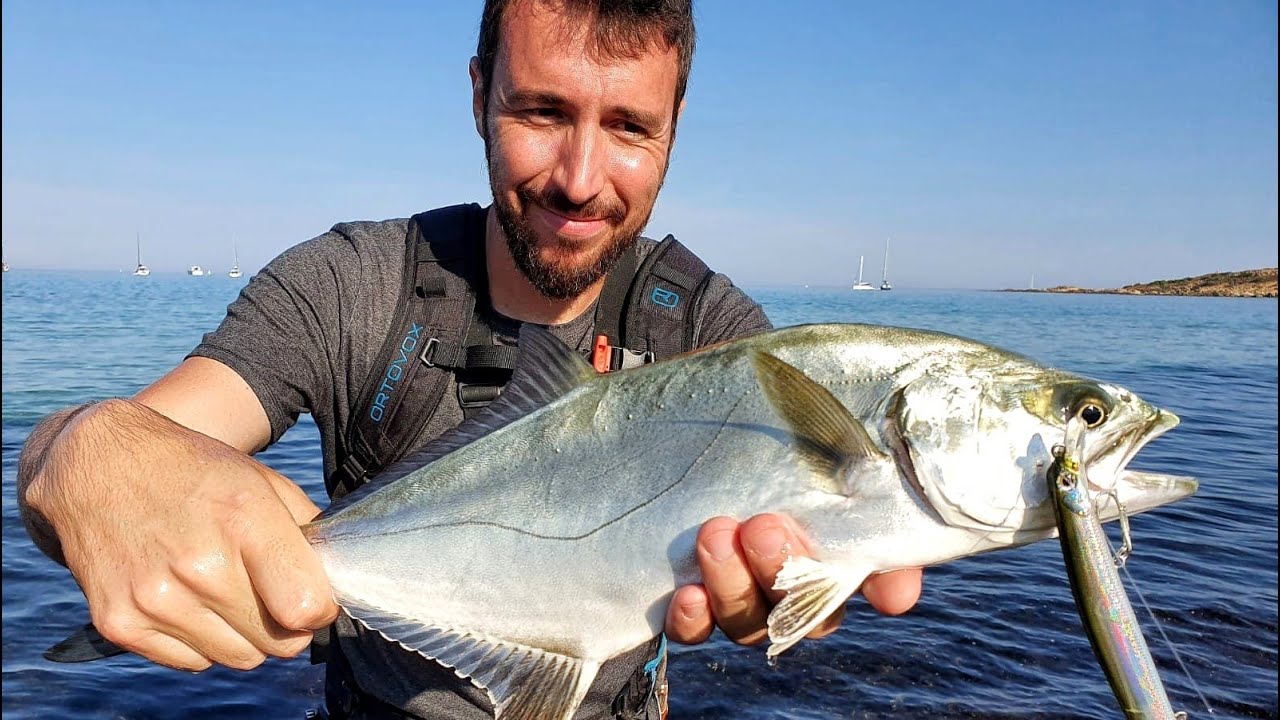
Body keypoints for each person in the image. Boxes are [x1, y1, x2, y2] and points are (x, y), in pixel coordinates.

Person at [17, 0, 923, 718]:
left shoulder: (718, 333)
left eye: (630, 128)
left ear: (677, 122)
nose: (578, 177)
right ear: (479, 90)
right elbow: (134, 440)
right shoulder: (351, 285)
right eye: (541, 111)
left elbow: (815, 534)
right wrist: (84, 451)